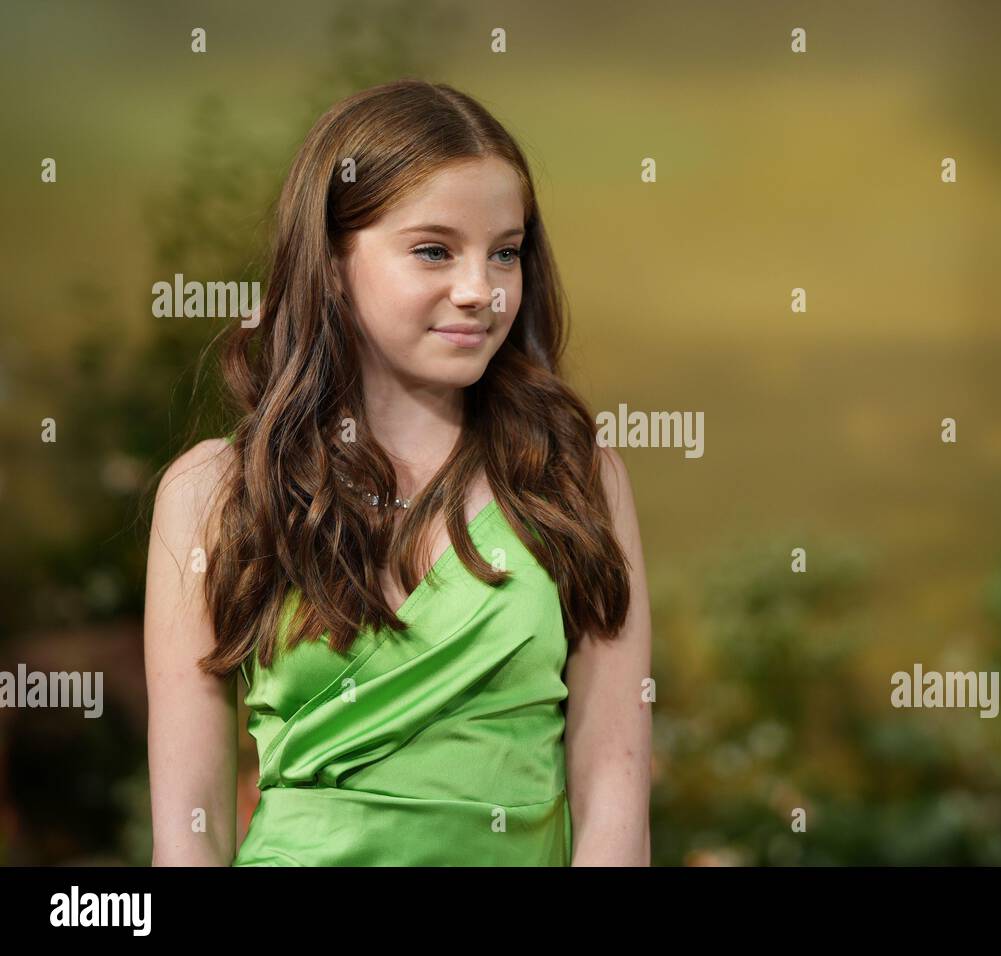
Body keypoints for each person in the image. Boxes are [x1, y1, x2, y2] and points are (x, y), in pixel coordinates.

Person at [143, 80, 652, 866]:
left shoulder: (575, 478)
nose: (481, 290)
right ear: (333, 261)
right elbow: (188, 830)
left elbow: (613, 793)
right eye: (433, 250)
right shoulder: (214, 492)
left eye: (506, 252)